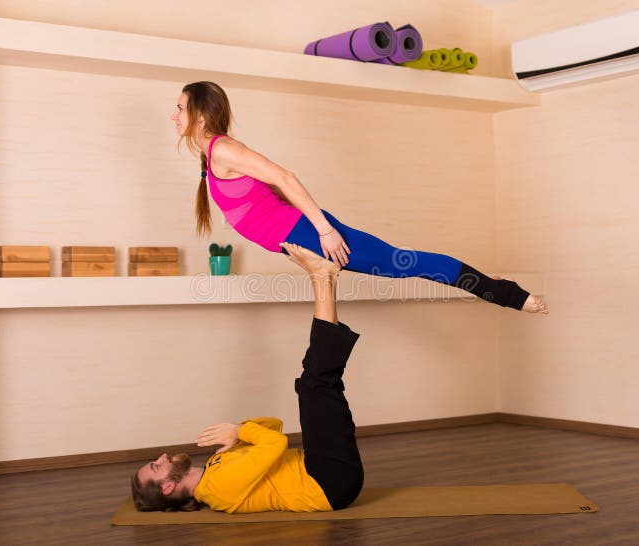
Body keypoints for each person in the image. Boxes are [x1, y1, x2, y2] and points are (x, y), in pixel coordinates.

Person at [172, 81, 548, 315]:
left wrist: (324, 231)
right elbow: (255, 200)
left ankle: (503, 293)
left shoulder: (223, 150)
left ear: (201, 116)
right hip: (299, 235)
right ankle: (488, 281)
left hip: (308, 232)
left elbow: (285, 178)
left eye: (180, 107)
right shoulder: (211, 154)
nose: (174, 115)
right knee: (400, 263)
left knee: (402, 264)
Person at [132, 243, 364, 512]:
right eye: (156, 466)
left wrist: (238, 435)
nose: (161, 457)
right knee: (315, 385)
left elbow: (273, 427)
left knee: (318, 382)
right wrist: (239, 432)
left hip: (319, 467)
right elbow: (278, 442)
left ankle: (326, 278)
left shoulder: (213, 468)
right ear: (167, 487)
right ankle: (323, 278)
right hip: (328, 483)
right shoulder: (218, 488)